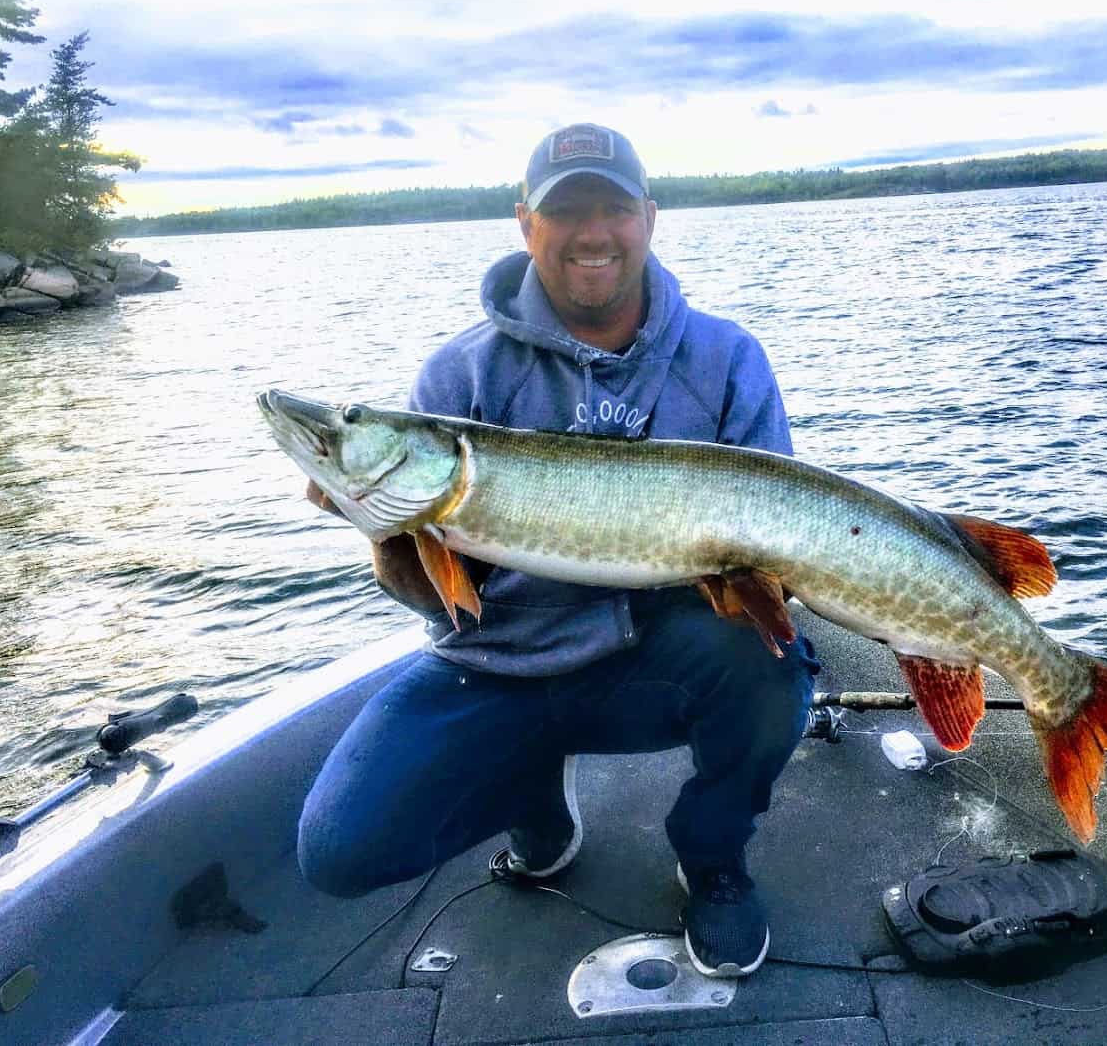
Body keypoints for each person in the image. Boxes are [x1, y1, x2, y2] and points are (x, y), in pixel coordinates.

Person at [296, 123, 818, 978]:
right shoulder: (457, 378)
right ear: (525, 223)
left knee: (772, 661)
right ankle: (535, 801)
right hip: (496, 662)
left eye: (613, 207)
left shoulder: (726, 360)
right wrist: (385, 532)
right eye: (567, 210)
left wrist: (754, 585)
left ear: (649, 217)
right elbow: (439, 599)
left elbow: (781, 557)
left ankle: (712, 854)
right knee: (340, 848)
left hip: (651, 659)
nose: (593, 233)